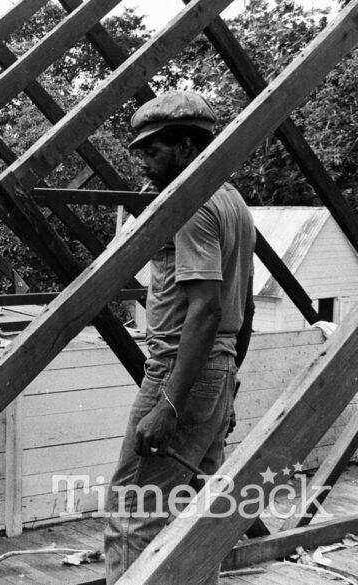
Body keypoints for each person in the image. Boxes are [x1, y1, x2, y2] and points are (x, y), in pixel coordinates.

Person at [103, 91, 256, 585]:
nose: (144, 164)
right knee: (196, 513)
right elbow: (244, 305)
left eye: (153, 152)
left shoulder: (191, 203)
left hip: (179, 371)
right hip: (215, 368)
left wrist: (169, 403)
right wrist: (226, 382)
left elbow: (207, 307)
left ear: (188, 147)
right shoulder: (233, 201)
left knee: (133, 511)